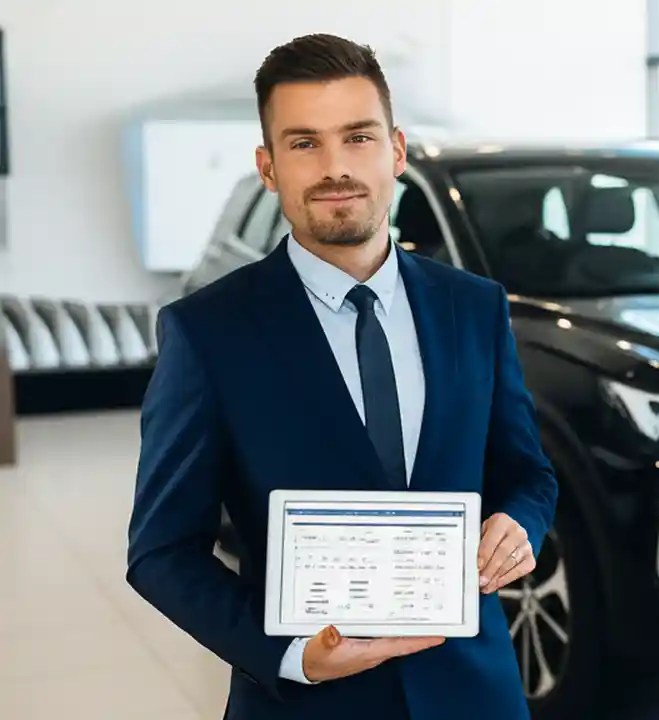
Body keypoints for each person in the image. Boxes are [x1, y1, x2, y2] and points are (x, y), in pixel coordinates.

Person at [125, 33, 558, 720]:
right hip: (307, 703)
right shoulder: (208, 332)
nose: (335, 168)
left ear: (397, 151)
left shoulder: (473, 308)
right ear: (268, 167)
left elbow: (527, 473)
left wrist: (521, 524)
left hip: (473, 692)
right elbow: (161, 552)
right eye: (304, 143)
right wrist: (290, 656)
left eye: (358, 137)